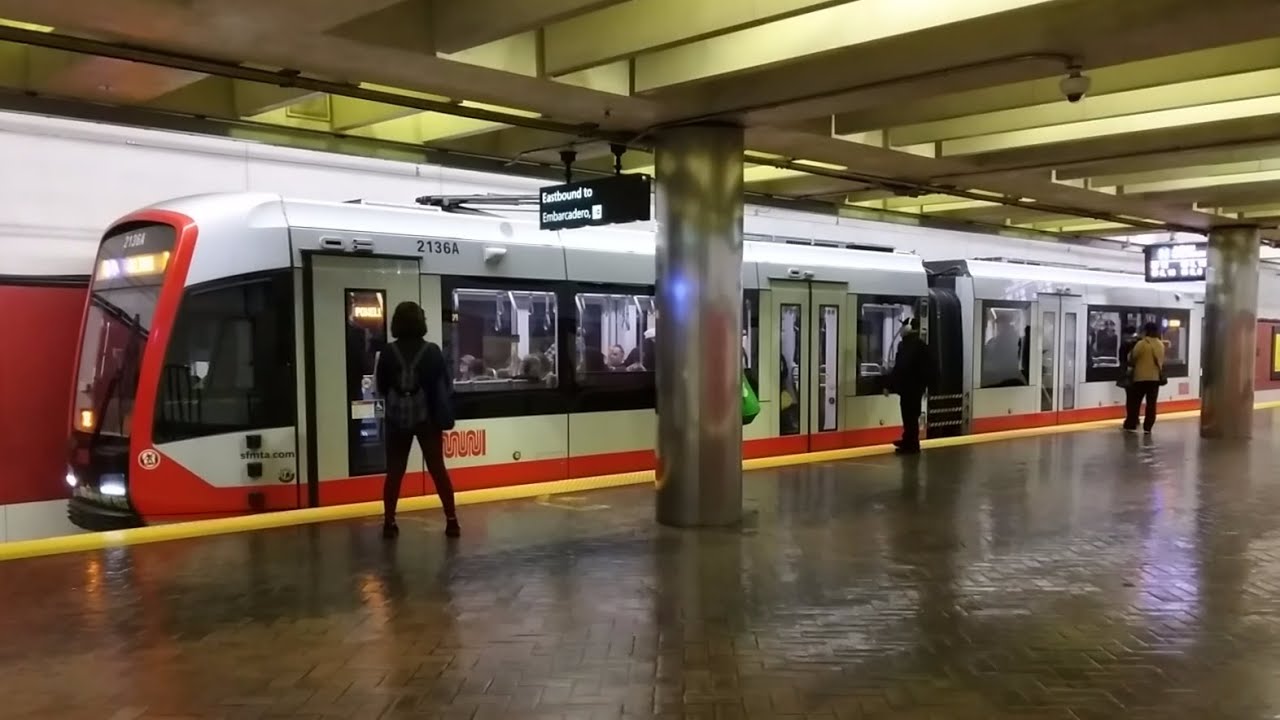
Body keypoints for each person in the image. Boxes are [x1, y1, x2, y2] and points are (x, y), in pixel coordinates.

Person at [375, 301, 459, 540]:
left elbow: (380, 386)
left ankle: (389, 523)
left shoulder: (388, 352)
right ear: (420, 322)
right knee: (437, 469)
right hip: (428, 418)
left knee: (395, 471)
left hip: (396, 419)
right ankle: (452, 521)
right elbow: (445, 385)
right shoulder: (432, 351)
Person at [884, 317, 935, 455]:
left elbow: (900, 368)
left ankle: (912, 445)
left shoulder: (914, 347)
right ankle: (907, 440)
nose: (901, 329)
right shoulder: (911, 346)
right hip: (910, 389)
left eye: (903, 326)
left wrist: (890, 384)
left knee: (911, 418)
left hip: (912, 390)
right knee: (908, 417)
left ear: (908, 328)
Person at [1124, 322, 1166, 434]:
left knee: (1135, 403)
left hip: (1140, 379)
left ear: (1146, 331)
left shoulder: (1141, 344)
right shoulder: (1160, 345)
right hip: (1155, 379)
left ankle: (1132, 424)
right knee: (1151, 404)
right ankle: (1148, 427)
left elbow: (1132, 358)